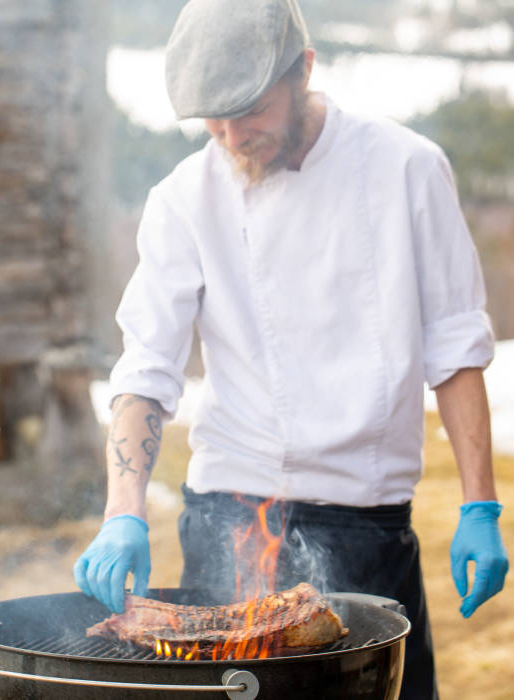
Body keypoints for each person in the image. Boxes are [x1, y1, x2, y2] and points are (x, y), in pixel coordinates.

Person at [72, 1, 508, 698]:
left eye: (250, 111)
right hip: (229, 513)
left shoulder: (407, 169)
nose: (231, 135)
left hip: (366, 521)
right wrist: (122, 508)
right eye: (211, 121)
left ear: (303, 69)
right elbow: (146, 370)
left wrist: (479, 507)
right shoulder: (183, 199)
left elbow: (454, 349)